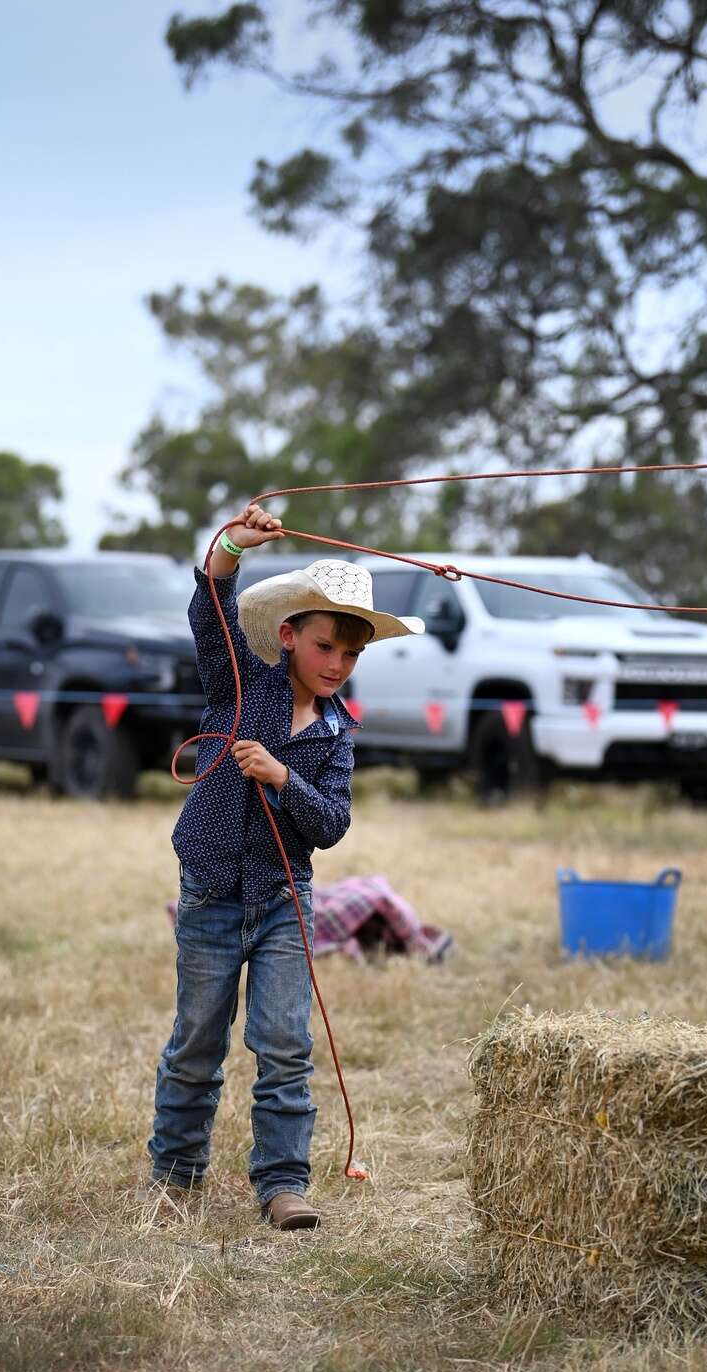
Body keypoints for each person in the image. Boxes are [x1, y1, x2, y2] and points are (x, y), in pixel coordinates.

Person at [146, 505, 424, 1230]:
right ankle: (175, 1174)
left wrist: (280, 777)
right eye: (327, 646)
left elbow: (330, 825)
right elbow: (212, 613)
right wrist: (233, 545)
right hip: (211, 891)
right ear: (290, 636)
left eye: (351, 655)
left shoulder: (338, 735)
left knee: (283, 1042)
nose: (337, 664)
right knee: (198, 1040)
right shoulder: (241, 685)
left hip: (283, 900)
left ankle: (282, 1185)